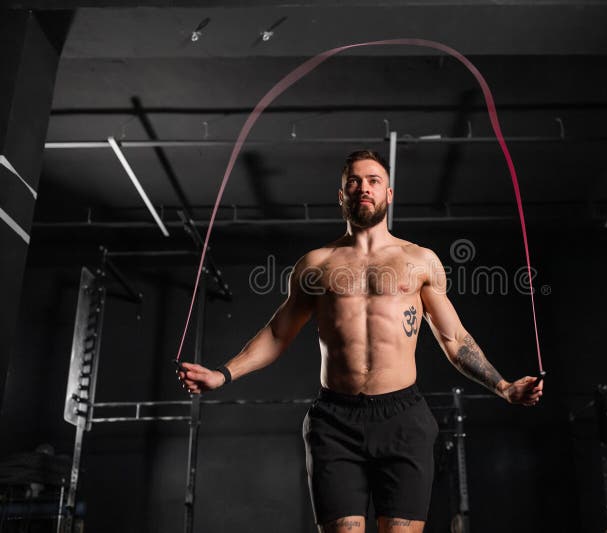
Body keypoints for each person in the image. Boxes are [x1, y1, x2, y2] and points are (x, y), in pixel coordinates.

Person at [177, 150, 544, 533]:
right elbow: (277, 333)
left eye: (373, 181)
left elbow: (454, 338)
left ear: (389, 193)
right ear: (342, 195)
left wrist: (503, 386)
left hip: (403, 417)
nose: (363, 188)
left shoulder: (420, 260)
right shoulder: (316, 264)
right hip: (335, 420)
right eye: (353, 181)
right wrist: (222, 374)